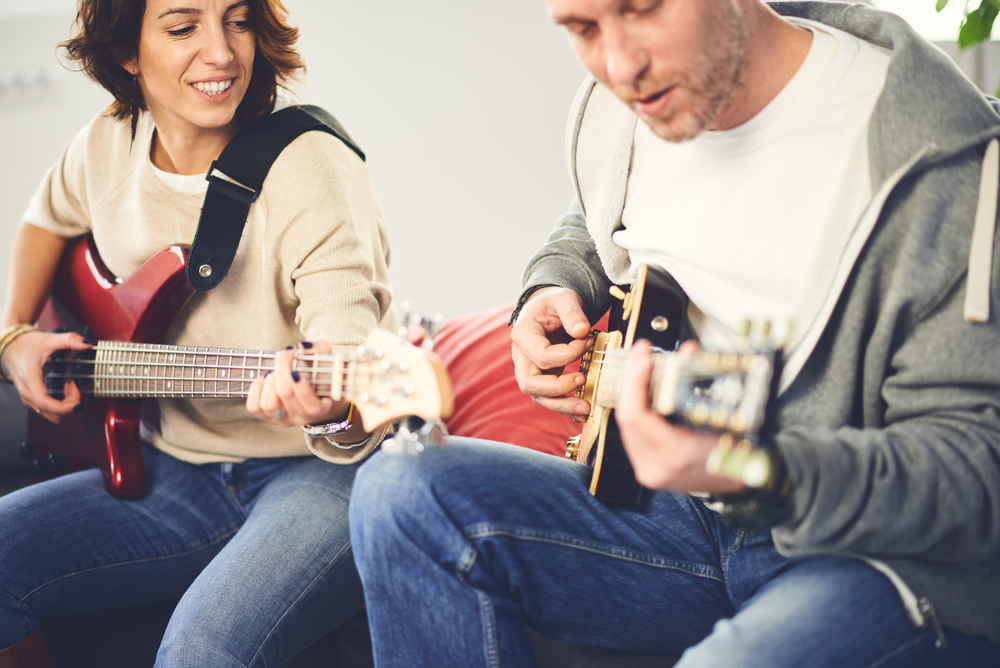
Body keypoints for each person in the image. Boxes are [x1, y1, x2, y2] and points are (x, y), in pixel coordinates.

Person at [349, 1, 1000, 666]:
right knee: (402, 492)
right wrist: (557, 281)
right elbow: (599, 211)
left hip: (869, 559)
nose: (620, 65)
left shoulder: (935, 157)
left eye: (644, 9)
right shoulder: (628, 111)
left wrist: (749, 470)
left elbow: (975, 474)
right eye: (583, 28)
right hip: (685, 522)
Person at [0, 0, 394, 665]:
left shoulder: (312, 167)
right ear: (128, 51)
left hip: (315, 475)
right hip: (175, 466)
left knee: (199, 652)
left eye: (237, 21)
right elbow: (45, 217)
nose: (221, 53)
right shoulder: (108, 141)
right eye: (183, 27)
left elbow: (345, 349)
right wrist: (14, 335)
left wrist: (331, 406)